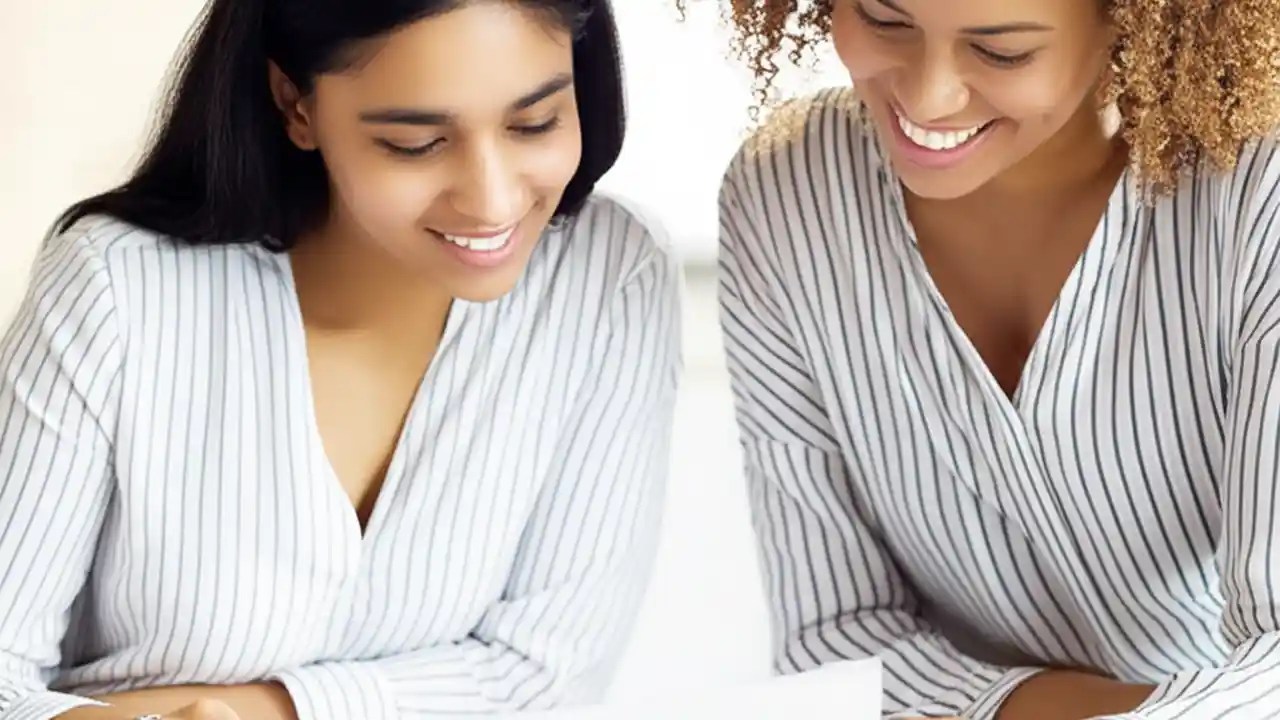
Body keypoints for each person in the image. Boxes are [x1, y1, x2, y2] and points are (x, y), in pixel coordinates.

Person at [0, 0, 682, 718]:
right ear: (295, 105)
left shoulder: (612, 273)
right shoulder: (115, 286)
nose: (492, 199)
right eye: (416, 143)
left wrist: (254, 712)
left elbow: (548, 675)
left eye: (534, 124)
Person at [714, 0, 1280, 718]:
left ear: (1134, 20)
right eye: (884, 20)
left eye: (1002, 51)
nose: (927, 95)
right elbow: (835, 640)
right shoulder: (786, 198)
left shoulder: (1259, 185)